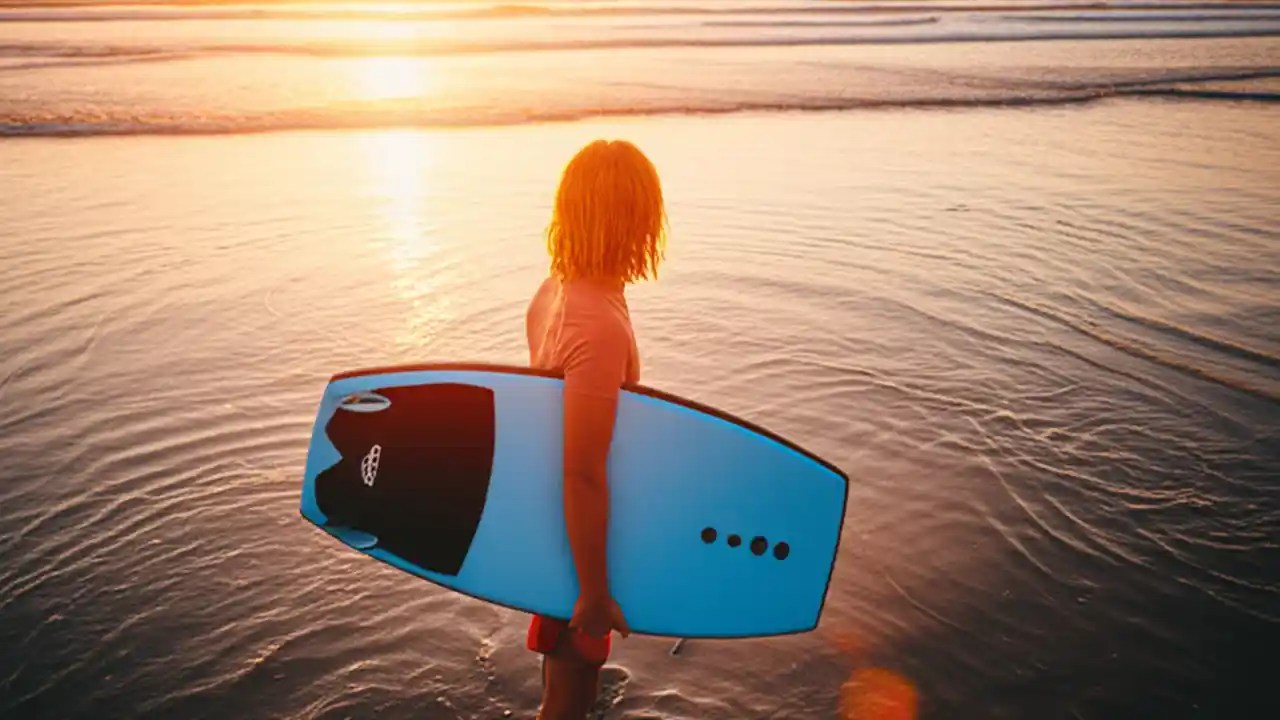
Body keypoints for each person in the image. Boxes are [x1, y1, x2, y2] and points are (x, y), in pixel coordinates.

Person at [524, 139, 667, 720]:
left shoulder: (556, 288)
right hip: (578, 544)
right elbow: (582, 469)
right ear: (634, 221)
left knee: (561, 689)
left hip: (552, 528)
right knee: (568, 703)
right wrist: (593, 591)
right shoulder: (598, 326)